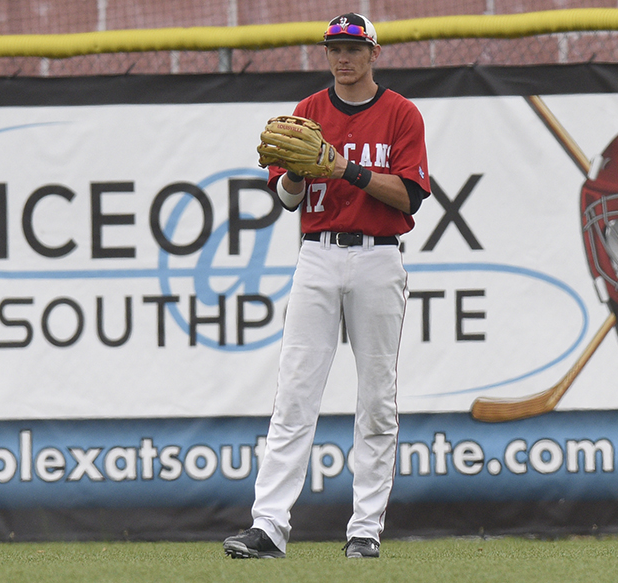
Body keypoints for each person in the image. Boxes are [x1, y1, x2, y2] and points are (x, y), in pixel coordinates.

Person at [223, 13, 430, 560]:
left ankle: (365, 529)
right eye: (334, 48)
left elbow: (410, 196)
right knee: (294, 393)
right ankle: (268, 526)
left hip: (378, 257)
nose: (343, 57)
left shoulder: (401, 113)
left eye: (353, 48)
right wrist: (294, 173)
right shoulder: (309, 111)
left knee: (376, 399)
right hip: (317, 254)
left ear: (373, 53)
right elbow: (288, 198)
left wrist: (345, 169)